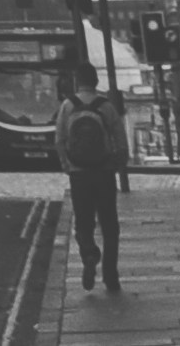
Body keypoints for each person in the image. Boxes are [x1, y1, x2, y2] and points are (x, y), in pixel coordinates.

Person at [56, 81, 125, 294]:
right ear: (95, 82)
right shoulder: (106, 106)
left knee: (83, 222)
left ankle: (89, 254)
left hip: (79, 174)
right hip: (103, 171)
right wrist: (118, 164)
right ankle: (111, 277)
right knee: (110, 225)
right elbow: (120, 139)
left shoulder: (67, 105)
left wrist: (66, 165)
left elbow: (60, 139)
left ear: (78, 81)